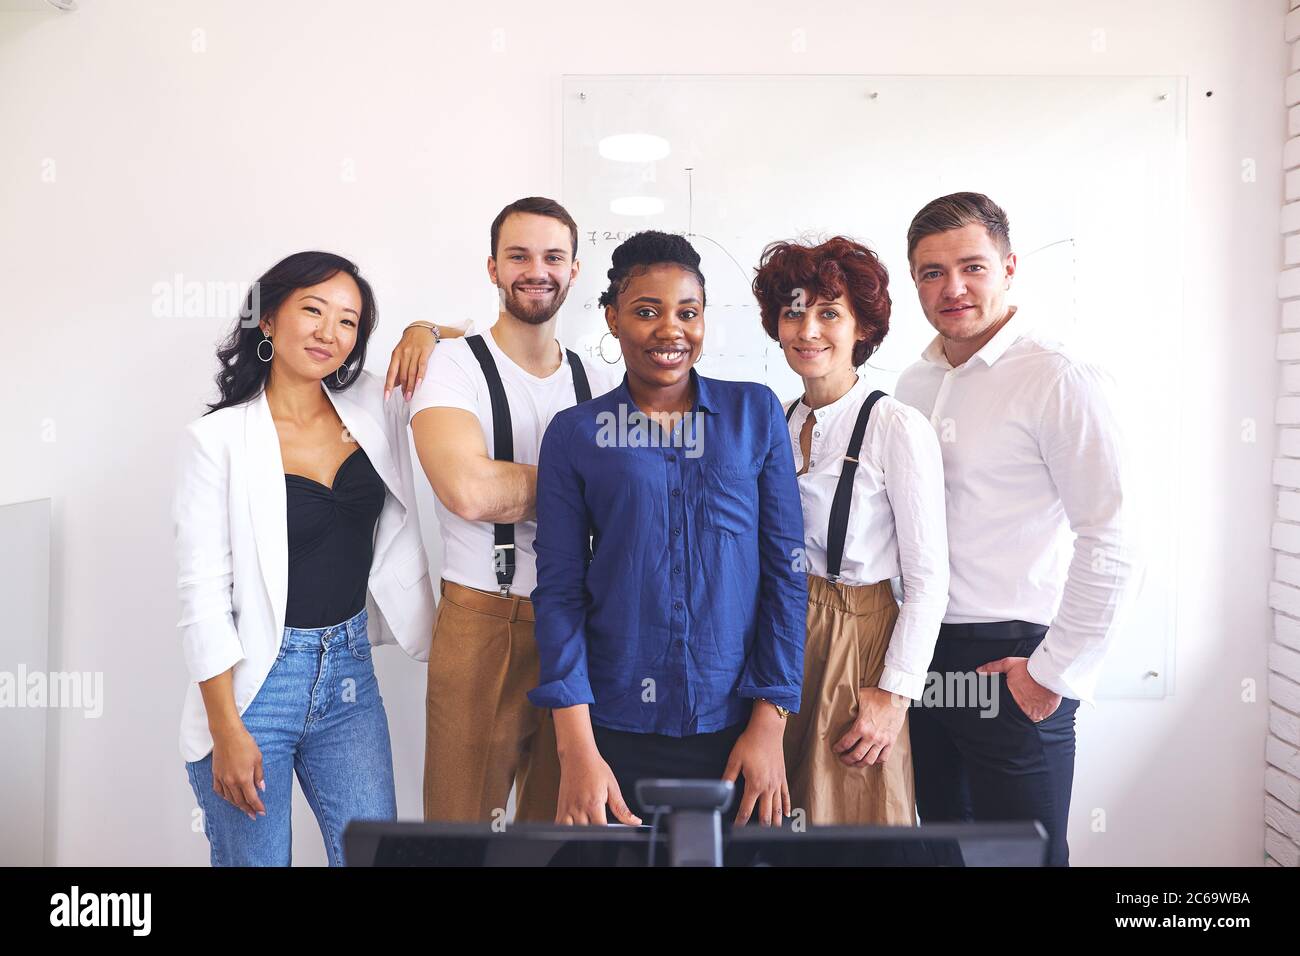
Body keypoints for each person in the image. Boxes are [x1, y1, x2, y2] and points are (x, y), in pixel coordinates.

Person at [528, 230, 807, 827]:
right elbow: (558, 591)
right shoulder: (575, 433)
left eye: (689, 312)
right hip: (615, 723)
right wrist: (575, 748)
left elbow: (786, 573)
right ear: (613, 317)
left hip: (737, 725)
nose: (670, 330)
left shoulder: (754, 414)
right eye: (646, 311)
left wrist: (769, 721)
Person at [894, 192, 1134, 866]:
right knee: (946, 854)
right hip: (922, 655)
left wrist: (1053, 673)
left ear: (1009, 268)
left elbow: (1113, 538)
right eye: (931, 272)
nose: (953, 287)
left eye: (971, 266)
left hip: (1014, 660)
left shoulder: (1061, 376)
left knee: (1022, 863)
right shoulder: (913, 383)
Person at [173, 251, 436, 866]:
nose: (329, 332)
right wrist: (227, 729)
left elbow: (470, 345)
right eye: (312, 310)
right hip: (257, 684)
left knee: (377, 858)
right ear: (267, 320)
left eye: (348, 321)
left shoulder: (376, 403)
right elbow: (201, 595)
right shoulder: (217, 441)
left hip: (349, 677)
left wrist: (422, 328)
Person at [402, 197, 620, 823]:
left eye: (553, 257)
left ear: (574, 270)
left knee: (565, 830)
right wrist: (589, 488)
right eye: (518, 256)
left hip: (580, 624)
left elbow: (642, 494)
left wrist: (524, 485)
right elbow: (469, 490)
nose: (537, 270)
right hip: (482, 619)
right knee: (460, 827)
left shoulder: (598, 383)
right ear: (492, 268)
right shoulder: (450, 362)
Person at [752, 236, 948, 825]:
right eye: (793, 311)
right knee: (769, 821)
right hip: (780, 635)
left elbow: (929, 579)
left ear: (862, 326)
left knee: (852, 819)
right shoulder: (777, 421)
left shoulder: (896, 426)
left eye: (828, 312)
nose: (807, 329)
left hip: (858, 638)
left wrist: (893, 696)